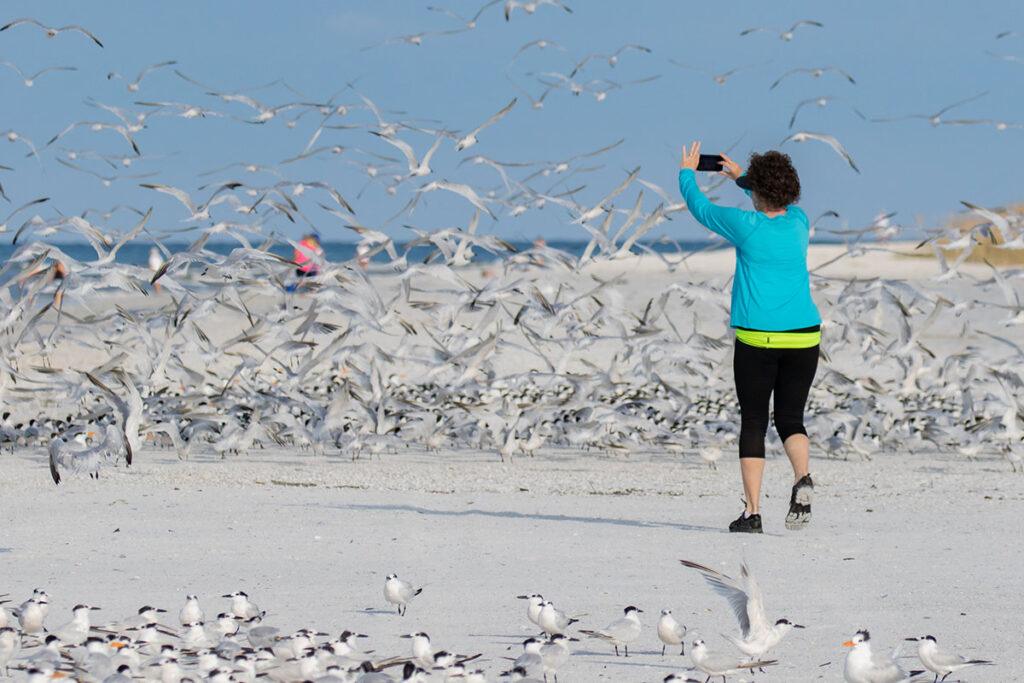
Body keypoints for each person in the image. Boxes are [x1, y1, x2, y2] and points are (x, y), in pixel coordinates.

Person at [678, 141, 820, 534]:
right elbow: (772, 200)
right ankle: (801, 476)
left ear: (757, 191)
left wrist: (687, 172)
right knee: (791, 418)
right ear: (791, 192)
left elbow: (701, 209)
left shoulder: (746, 226)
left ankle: (753, 513)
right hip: (805, 337)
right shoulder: (800, 222)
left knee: (754, 422)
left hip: (759, 339)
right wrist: (741, 177)